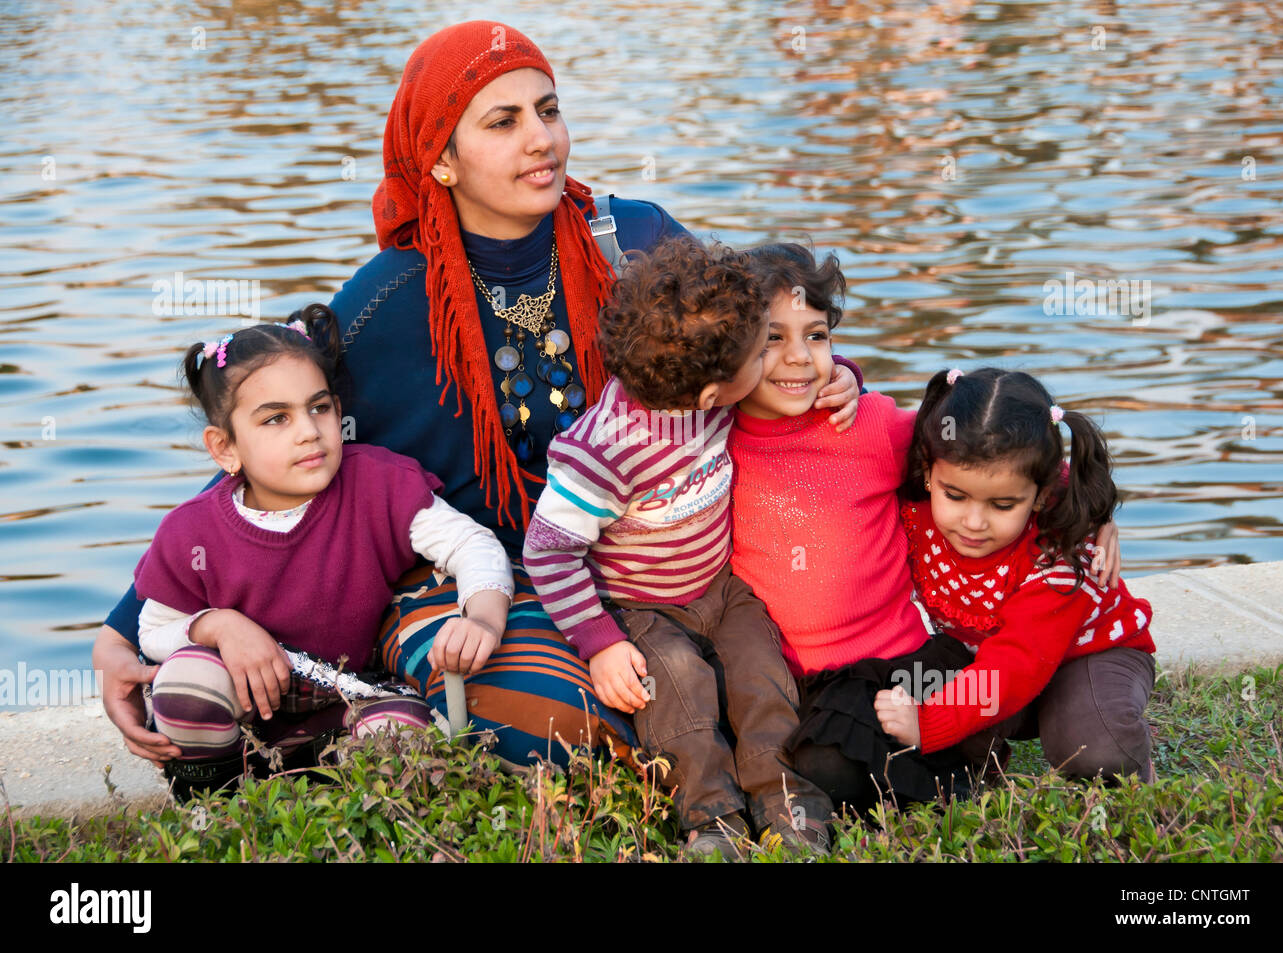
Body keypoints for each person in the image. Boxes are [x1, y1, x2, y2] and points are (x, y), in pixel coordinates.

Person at [91, 21, 865, 771]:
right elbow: (261, 450)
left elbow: (755, 340)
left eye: (549, 110)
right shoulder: (387, 303)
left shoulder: (634, 242)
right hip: (491, 583)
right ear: (442, 161)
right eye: (504, 121)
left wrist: (834, 376)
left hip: (660, 562)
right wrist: (122, 633)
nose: (542, 138)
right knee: (583, 724)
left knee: (789, 670)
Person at [727, 244, 1131, 816]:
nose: (799, 357)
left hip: (896, 661)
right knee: (784, 760)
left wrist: (1087, 506)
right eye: (773, 337)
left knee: (833, 772)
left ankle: (962, 751)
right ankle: (956, 755)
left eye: (816, 336)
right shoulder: (713, 441)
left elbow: (988, 456)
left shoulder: (864, 427)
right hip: (786, 671)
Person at [523, 237, 836, 858]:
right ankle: (712, 820)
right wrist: (601, 642)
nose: (773, 361)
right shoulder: (603, 450)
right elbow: (549, 553)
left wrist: (843, 377)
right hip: (639, 605)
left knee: (762, 678)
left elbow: (800, 376)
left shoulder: (718, 397)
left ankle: (785, 805)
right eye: (762, 348)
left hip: (719, 588)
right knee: (681, 692)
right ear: (711, 393)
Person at [133, 306, 513, 793]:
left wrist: (482, 616)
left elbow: (472, 543)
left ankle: (355, 806)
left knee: (401, 739)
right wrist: (219, 625)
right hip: (247, 720)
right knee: (185, 682)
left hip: (354, 701)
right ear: (225, 448)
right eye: (276, 419)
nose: (308, 430)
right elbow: (153, 630)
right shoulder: (192, 531)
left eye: (319, 408)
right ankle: (218, 800)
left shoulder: (378, 484)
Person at [874, 366, 1156, 784]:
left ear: (1040, 496)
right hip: (986, 657)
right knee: (906, 700)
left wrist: (929, 722)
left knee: (1095, 751)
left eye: (1002, 505)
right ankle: (984, 766)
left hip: (1087, 655)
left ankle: (1121, 741)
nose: (973, 522)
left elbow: (1015, 666)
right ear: (928, 472)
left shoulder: (1059, 557)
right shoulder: (916, 500)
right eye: (955, 496)